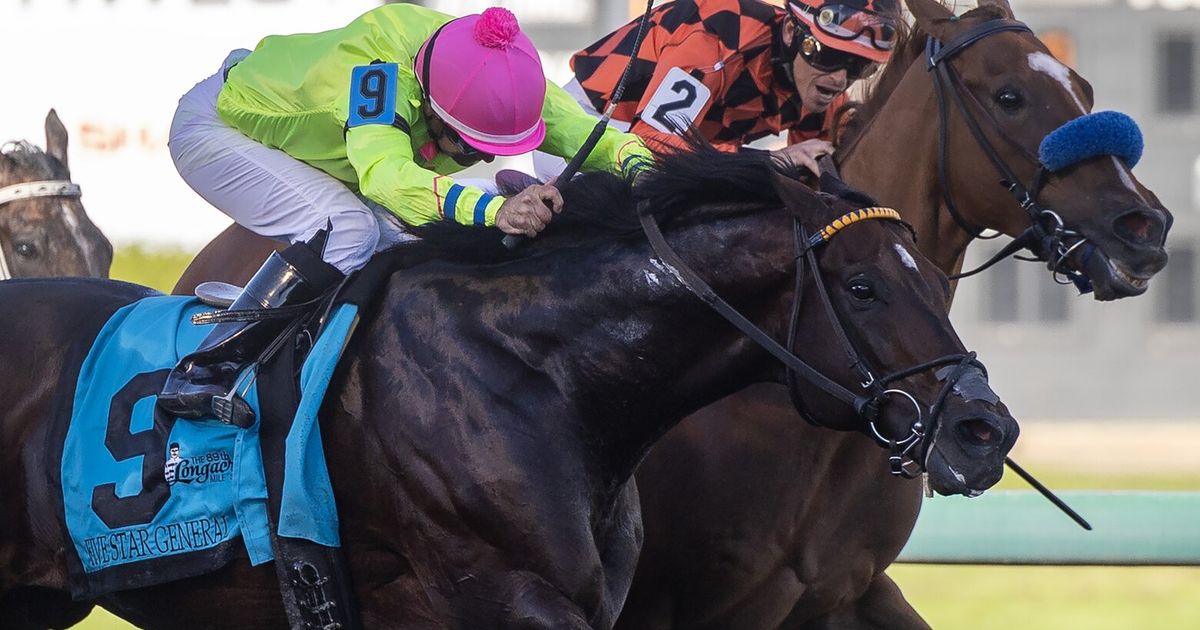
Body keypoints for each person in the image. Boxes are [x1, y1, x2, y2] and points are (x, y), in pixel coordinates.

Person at [159, 4, 654, 425]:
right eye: (469, 142)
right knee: (348, 230)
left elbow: (591, 137)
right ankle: (208, 368)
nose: (480, 156)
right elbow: (386, 178)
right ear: (435, 109)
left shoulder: (499, 69)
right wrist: (495, 210)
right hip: (221, 129)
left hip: (329, 149)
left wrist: (647, 168)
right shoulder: (378, 71)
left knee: (421, 232)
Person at [536, 0, 897, 178]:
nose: (839, 79)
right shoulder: (718, 37)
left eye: (859, 66)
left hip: (682, 151)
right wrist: (767, 160)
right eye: (828, 55)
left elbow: (823, 173)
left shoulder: (820, 86)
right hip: (594, 130)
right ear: (792, 33)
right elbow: (652, 144)